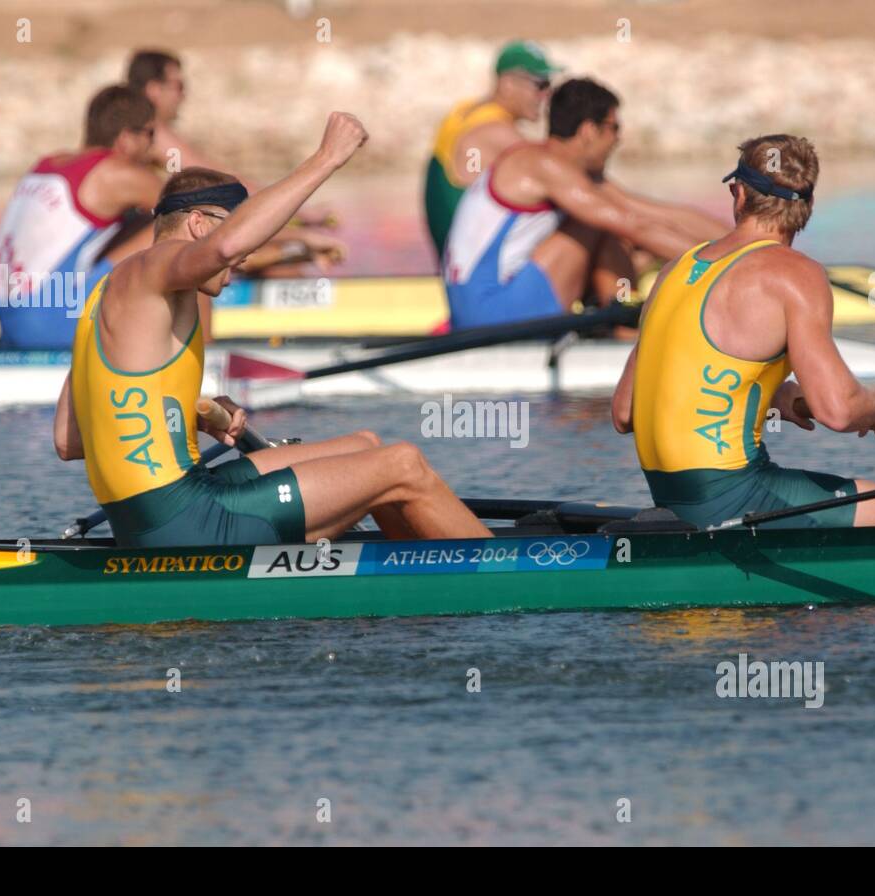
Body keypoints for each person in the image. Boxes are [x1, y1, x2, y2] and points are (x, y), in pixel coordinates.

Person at [53, 114, 491, 547]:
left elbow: (69, 441)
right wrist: (326, 158)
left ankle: (410, 572)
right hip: (187, 520)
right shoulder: (157, 262)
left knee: (366, 446)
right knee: (403, 464)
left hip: (148, 517)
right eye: (238, 228)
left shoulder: (103, 298)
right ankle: (503, 568)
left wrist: (183, 420)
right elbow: (227, 245)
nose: (245, 258)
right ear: (198, 225)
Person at [610, 134, 875, 529]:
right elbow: (839, 411)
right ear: (807, 207)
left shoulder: (675, 269)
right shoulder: (796, 275)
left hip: (673, 502)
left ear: (738, 193)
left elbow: (624, 412)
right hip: (740, 498)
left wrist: (769, 393)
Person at [443, 77, 726, 331]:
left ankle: (613, 316)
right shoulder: (543, 166)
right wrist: (725, 266)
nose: (618, 139)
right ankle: (625, 333)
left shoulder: (562, 170)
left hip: (479, 307)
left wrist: (743, 244)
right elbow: (635, 225)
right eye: (614, 127)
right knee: (604, 224)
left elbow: (656, 213)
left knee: (618, 225)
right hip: (492, 313)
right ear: (589, 130)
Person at [0, 85, 164, 349]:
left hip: (8, 320)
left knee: (146, 222)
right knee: (185, 226)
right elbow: (198, 207)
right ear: (127, 138)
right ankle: (205, 353)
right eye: (150, 135)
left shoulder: (45, 165)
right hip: (50, 325)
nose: (154, 147)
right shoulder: (116, 174)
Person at [127, 48, 340, 242]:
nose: (184, 95)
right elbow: (221, 183)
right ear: (154, 90)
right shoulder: (154, 132)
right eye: (179, 86)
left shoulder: (136, 129)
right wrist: (299, 213)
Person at [423, 39, 559, 260]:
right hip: (472, 265)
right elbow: (560, 177)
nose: (546, 95)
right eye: (540, 85)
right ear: (507, 84)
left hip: (453, 255)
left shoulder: (464, 110)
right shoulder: (496, 132)